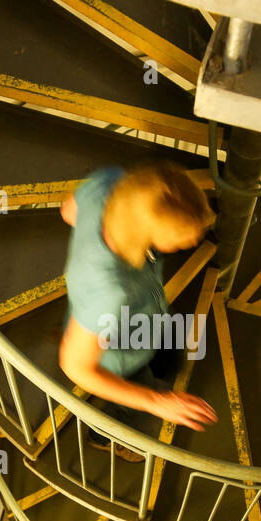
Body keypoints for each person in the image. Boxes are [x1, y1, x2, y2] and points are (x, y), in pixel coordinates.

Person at [59, 162, 218, 459]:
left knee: (168, 357)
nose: (193, 241)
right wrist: (155, 402)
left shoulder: (111, 182)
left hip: (144, 317)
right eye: (181, 239)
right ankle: (103, 436)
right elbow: (76, 365)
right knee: (131, 405)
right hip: (119, 354)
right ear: (142, 231)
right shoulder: (106, 289)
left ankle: (158, 361)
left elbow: (68, 210)